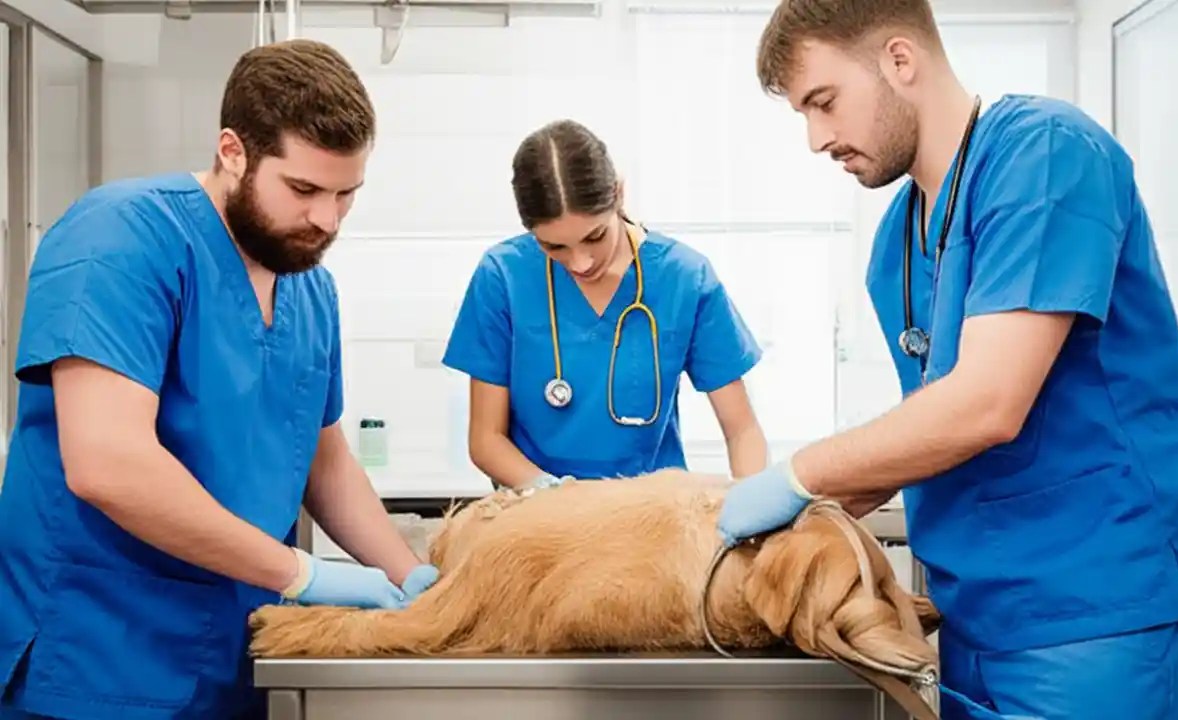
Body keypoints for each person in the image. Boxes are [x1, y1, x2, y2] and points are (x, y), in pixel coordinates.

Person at [714, 2, 1178, 719]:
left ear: (900, 60)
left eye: (824, 103)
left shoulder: (1046, 154)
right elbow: (929, 432)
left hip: (1096, 615)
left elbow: (986, 404)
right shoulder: (897, 238)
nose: (816, 139)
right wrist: (787, 513)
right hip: (974, 621)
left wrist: (799, 475)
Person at [0, 39, 439, 720]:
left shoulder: (309, 287)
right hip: (99, 662)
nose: (326, 220)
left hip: (233, 660)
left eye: (346, 195)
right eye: (303, 190)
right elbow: (106, 464)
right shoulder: (121, 238)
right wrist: (304, 574)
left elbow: (324, 463)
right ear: (232, 151)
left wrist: (408, 575)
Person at [443, 119, 768, 489]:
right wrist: (558, 497)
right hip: (539, 518)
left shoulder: (683, 277)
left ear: (618, 194)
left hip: (650, 517)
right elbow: (486, 441)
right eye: (554, 247)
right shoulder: (503, 276)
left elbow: (742, 430)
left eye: (595, 236)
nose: (580, 262)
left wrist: (752, 505)